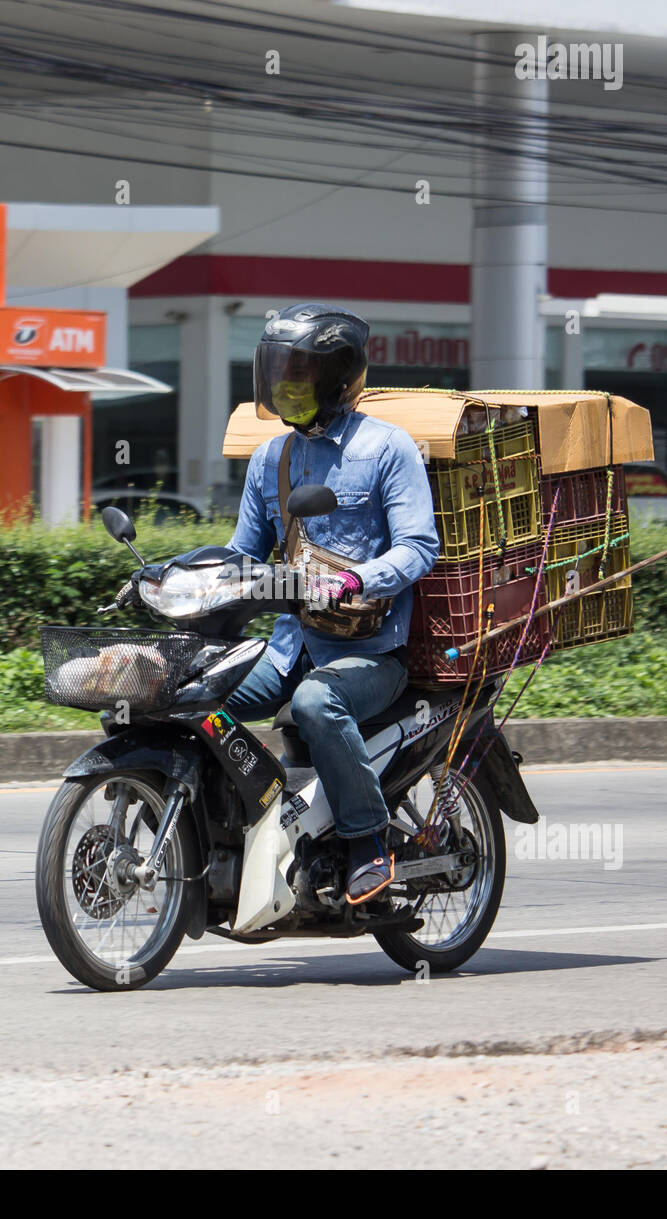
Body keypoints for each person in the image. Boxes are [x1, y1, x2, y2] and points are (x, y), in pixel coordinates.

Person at [225, 302, 439, 904]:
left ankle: (367, 838)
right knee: (194, 689)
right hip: (288, 648)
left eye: (301, 370)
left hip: (371, 654)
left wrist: (355, 582)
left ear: (339, 377)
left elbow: (420, 546)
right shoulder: (272, 458)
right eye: (277, 369)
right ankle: (244, 819)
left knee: (317, 702)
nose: (284, 384)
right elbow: (243, 554)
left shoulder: (388, 449)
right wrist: (180, 576)